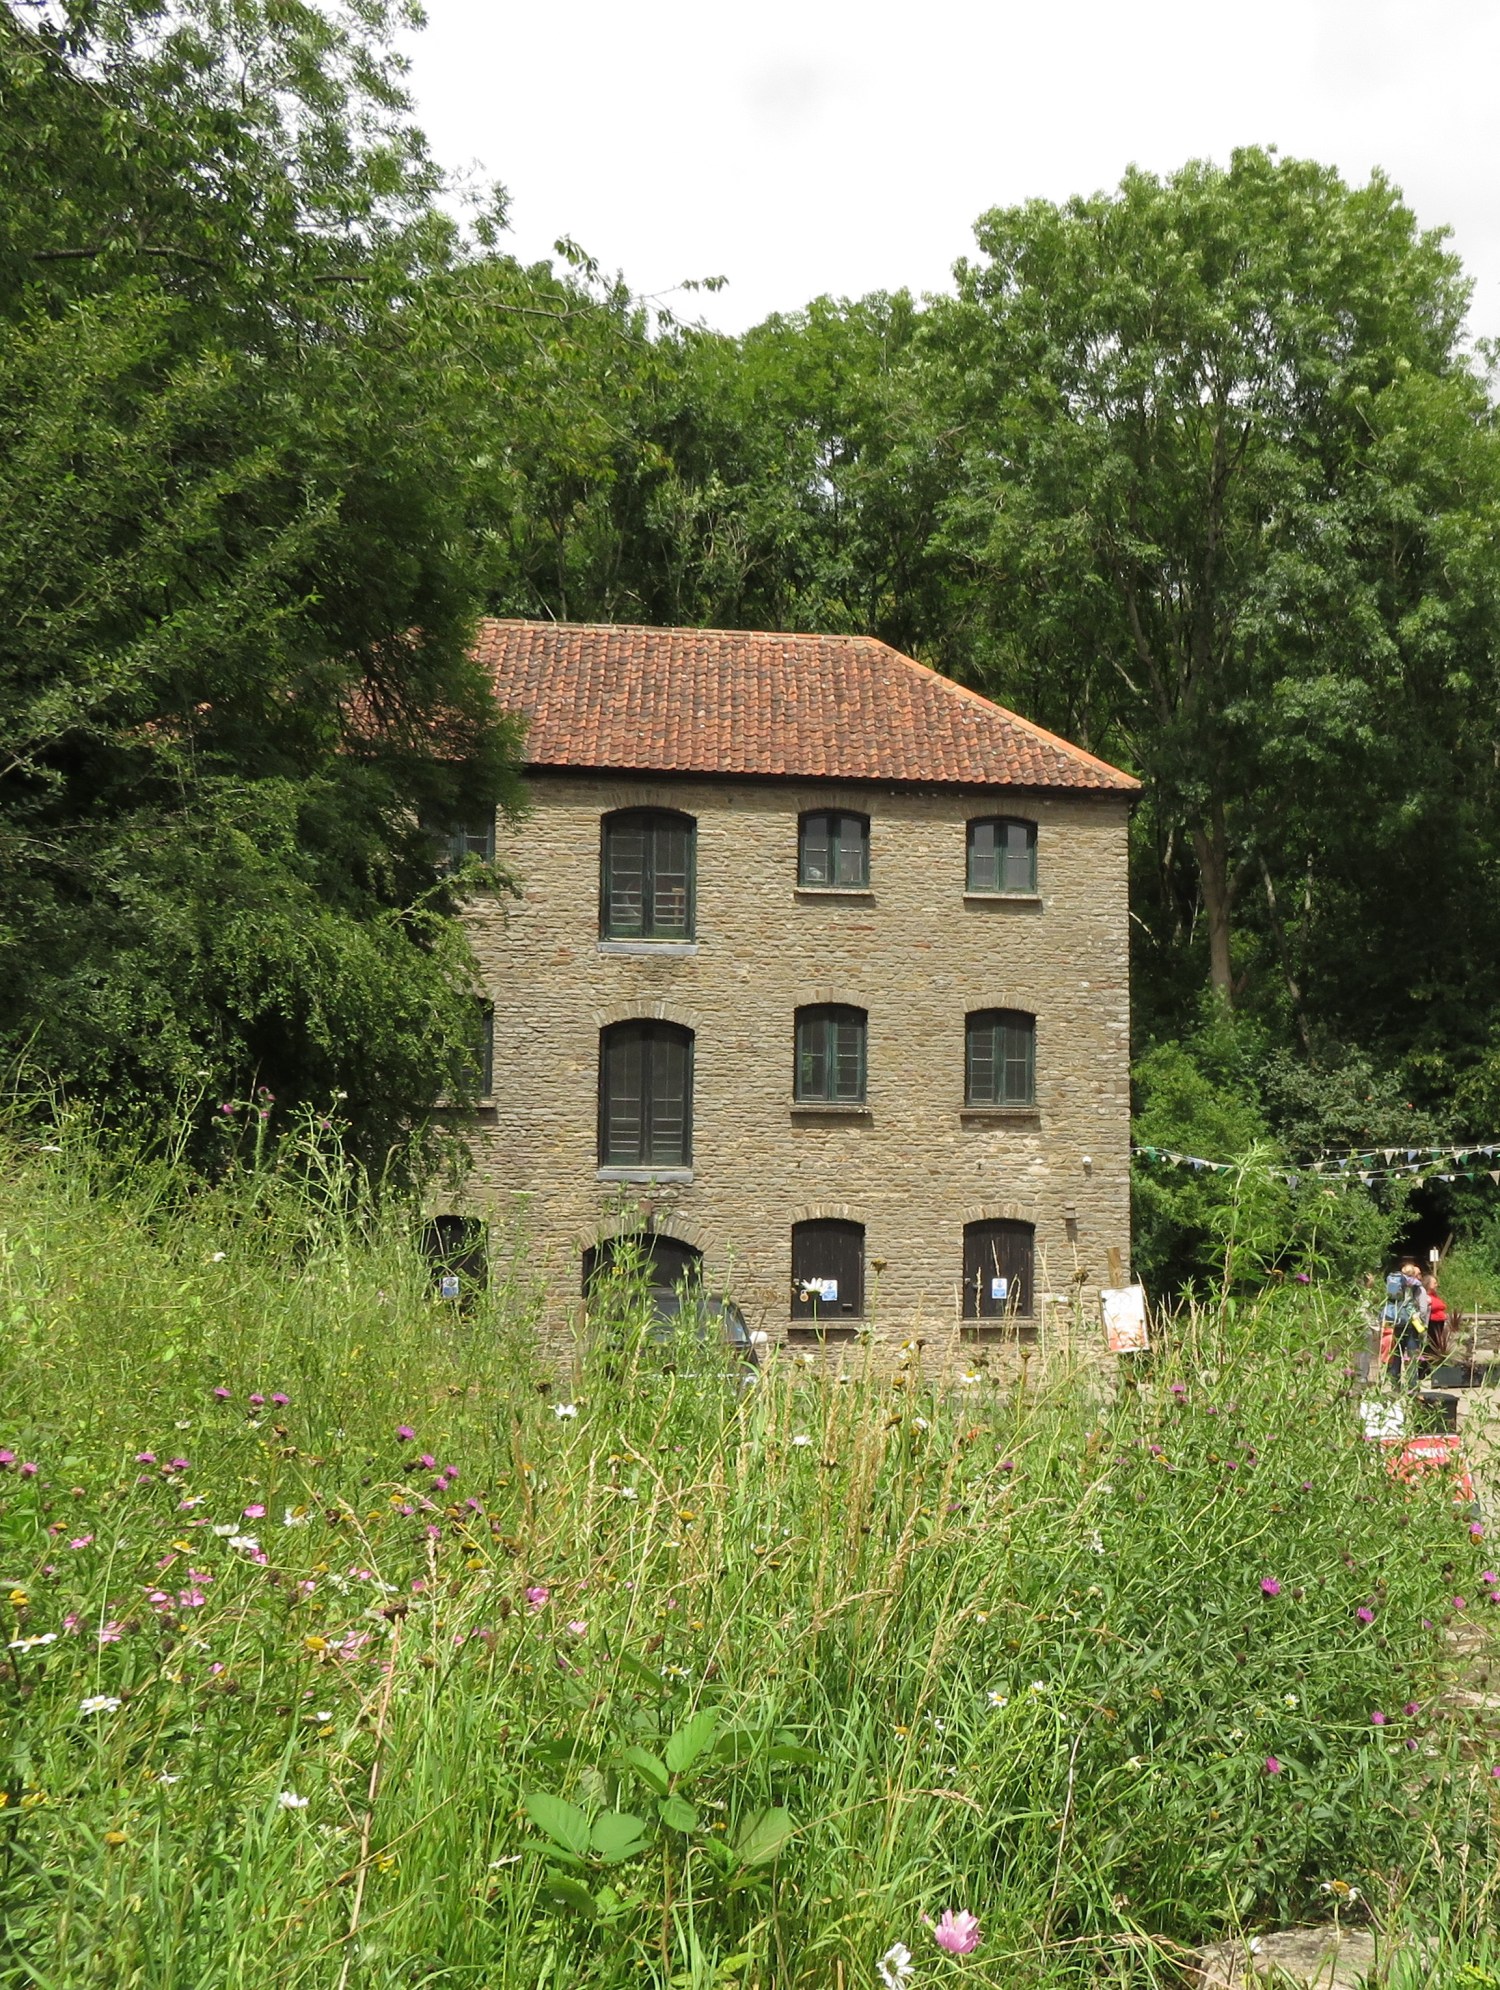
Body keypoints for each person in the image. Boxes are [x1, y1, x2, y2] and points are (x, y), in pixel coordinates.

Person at [1382, 1258, 1430, 1390]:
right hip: (1411, 1325)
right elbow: (1424, 1309)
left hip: (1397, 1322)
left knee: (1396, 1354)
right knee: (1412, 1355)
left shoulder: (1395, 1285)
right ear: (1413, 1275)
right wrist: (1418, 1319)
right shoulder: (1418, 1288)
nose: (1420, 1276)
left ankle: (1394, 1384)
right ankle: (1412, 1384)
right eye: (1419, 1274)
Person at [1420, 1271, 1448, 1373]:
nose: (1437, 1285)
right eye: (1434, 1283)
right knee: (1428, 1347)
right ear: (1428, 1284)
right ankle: (1424, 1369)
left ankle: (1432, 1368)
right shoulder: (1425, 1296)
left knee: (1435, 1347)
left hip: (1438, 1324)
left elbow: (1442, 1306)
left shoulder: (1434, 1296)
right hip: (1431, 1324)